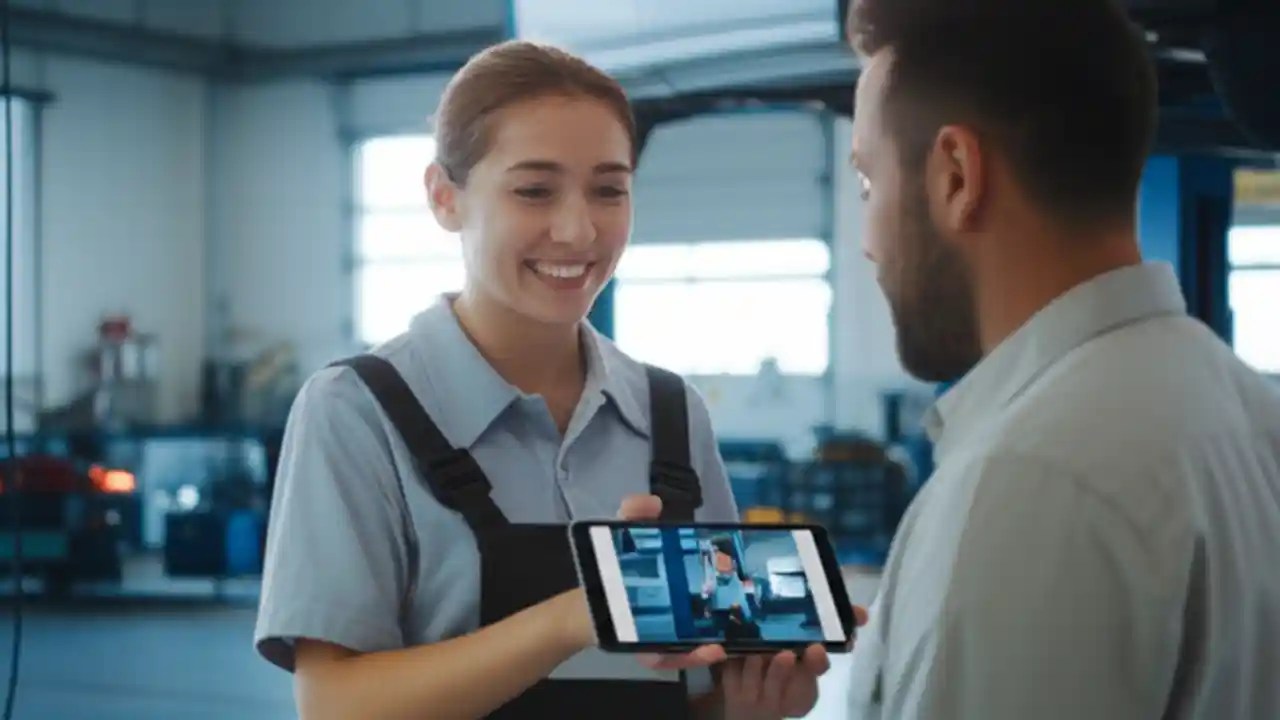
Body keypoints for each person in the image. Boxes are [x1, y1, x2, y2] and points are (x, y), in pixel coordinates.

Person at [253, 40, 839, 720]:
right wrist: (574, 617)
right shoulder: (357, 412)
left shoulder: (673, 414)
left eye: (609, 189)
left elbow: (694, 696)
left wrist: (746, 705)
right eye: (534, 190)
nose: (577, 228)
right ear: (445, 197)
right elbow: (336, 705)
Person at [842, 0, 1280, 718]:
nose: (867, 239)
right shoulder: (1247, 409)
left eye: (868, 183)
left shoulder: (1028, 477)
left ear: (956, 174)